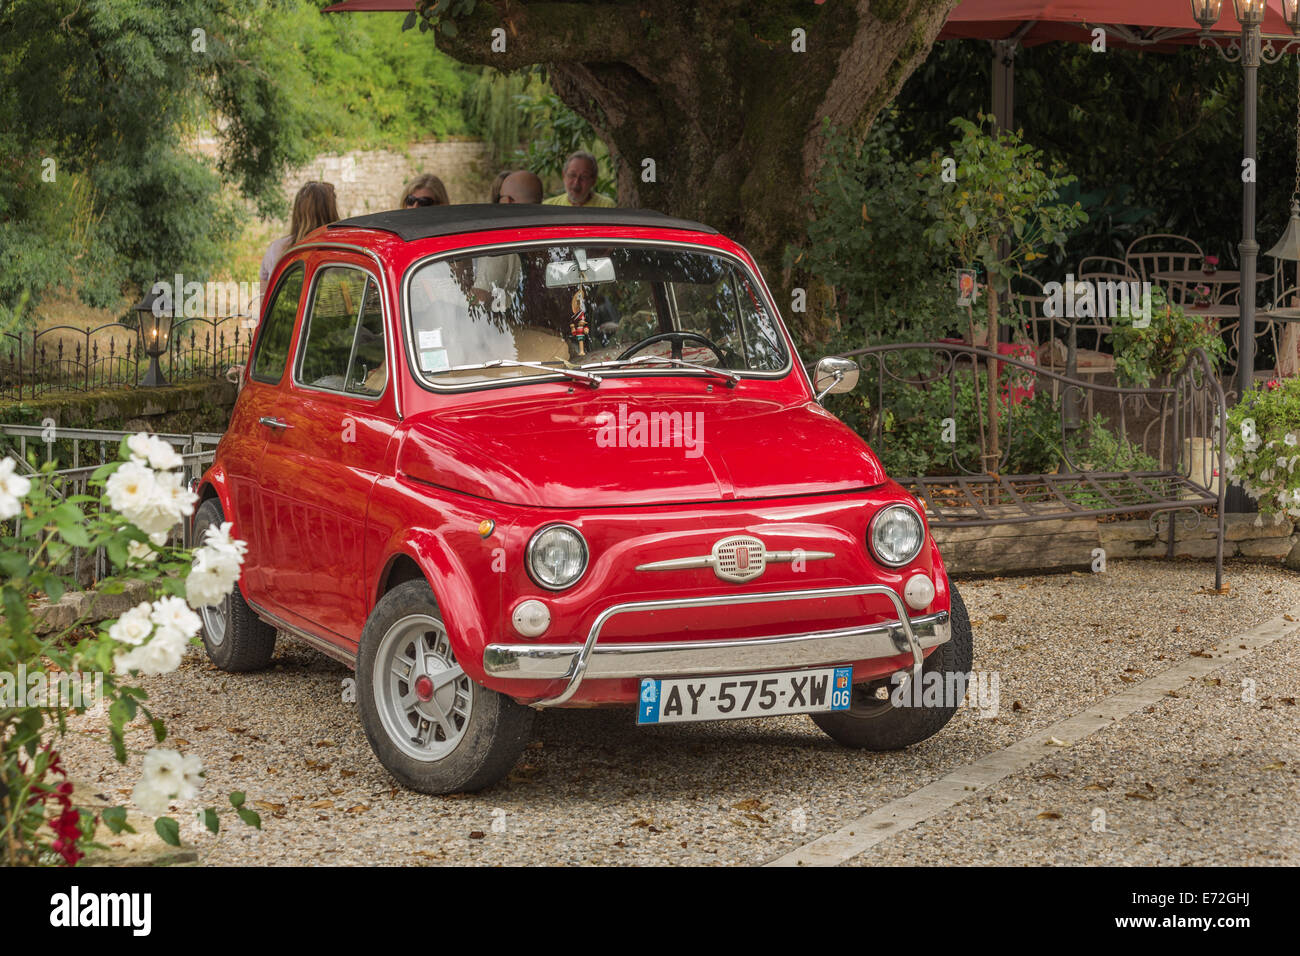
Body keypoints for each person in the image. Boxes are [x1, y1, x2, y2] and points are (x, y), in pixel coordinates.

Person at [472, 171, 543, 305]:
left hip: (504, 317)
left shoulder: (498, 245)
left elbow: (482, 296)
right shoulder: (549, 234)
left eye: (500, 197)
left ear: (508, 201)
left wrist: (462, 296)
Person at [259, 181, 338, 286]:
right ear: (331, 212)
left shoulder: (277, 249)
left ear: (297, 213)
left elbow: (264, 292)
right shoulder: (341, 250)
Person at [543, 151, 615, 207]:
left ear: (594, 181)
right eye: (572, 175)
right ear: (564, 176)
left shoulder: (607, 206)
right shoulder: (548, 206)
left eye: (584, 177)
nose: (576, 183)